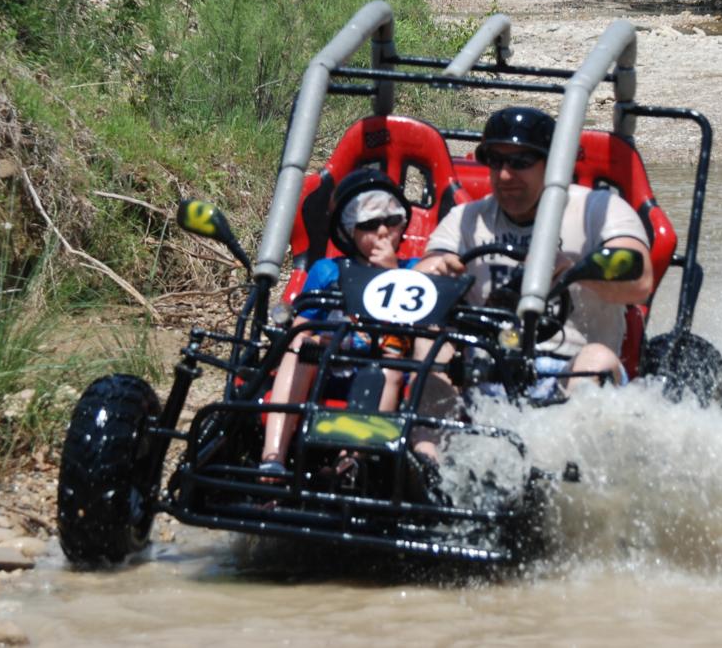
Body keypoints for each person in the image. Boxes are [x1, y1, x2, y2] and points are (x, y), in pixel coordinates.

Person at [415, 106, 654, 395]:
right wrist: (438, 275)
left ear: (554, 164)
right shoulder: (466, 219)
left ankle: (564, 441)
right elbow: (419, 281)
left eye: (520, 161)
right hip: (487, 369)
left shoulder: (598, 210)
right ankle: (425, 439)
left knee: (597, 359)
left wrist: (572, 271)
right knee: (430, 339)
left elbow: (640, 282)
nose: (504, 175)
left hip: (574, 370)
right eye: (496, 161)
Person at [259, 169, 416, 477]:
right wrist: (316, 341)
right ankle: (273, 456)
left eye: (392, 221)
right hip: (329, 364)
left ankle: (353, 458)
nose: (383, 231)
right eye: (369, 225)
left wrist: (390, 274)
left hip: (386, 368)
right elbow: (300, 326)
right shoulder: (327, 271)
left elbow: (420, 330)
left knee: (387, 367)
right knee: (300, 350)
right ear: (348, 231)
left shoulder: (413, 272)